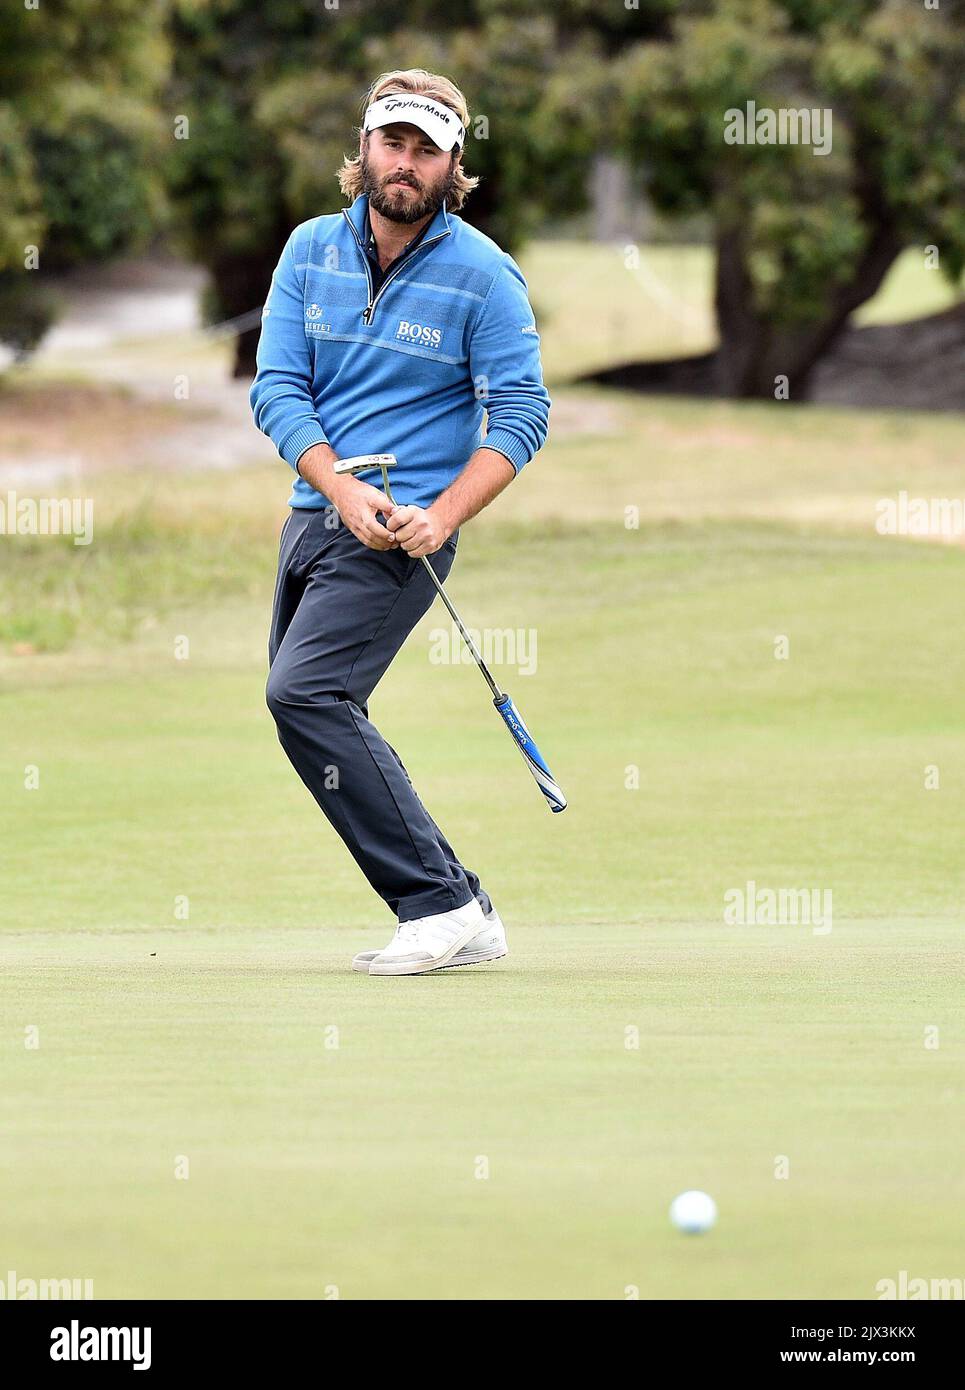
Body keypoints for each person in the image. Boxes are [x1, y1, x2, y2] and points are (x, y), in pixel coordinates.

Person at [249, 68, 551, 976]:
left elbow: (522, 414)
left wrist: (442, 515)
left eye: (426, 148)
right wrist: (339, 489)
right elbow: (278, 390)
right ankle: (469, 907)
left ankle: (437, 904)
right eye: (393, 142)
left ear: (453, 161)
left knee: (304, 694)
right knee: (313, 705)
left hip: (400, 543)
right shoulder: (308, 249)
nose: (405, 164)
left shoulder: (484, 275)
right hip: (316, 519)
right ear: (365, 147)